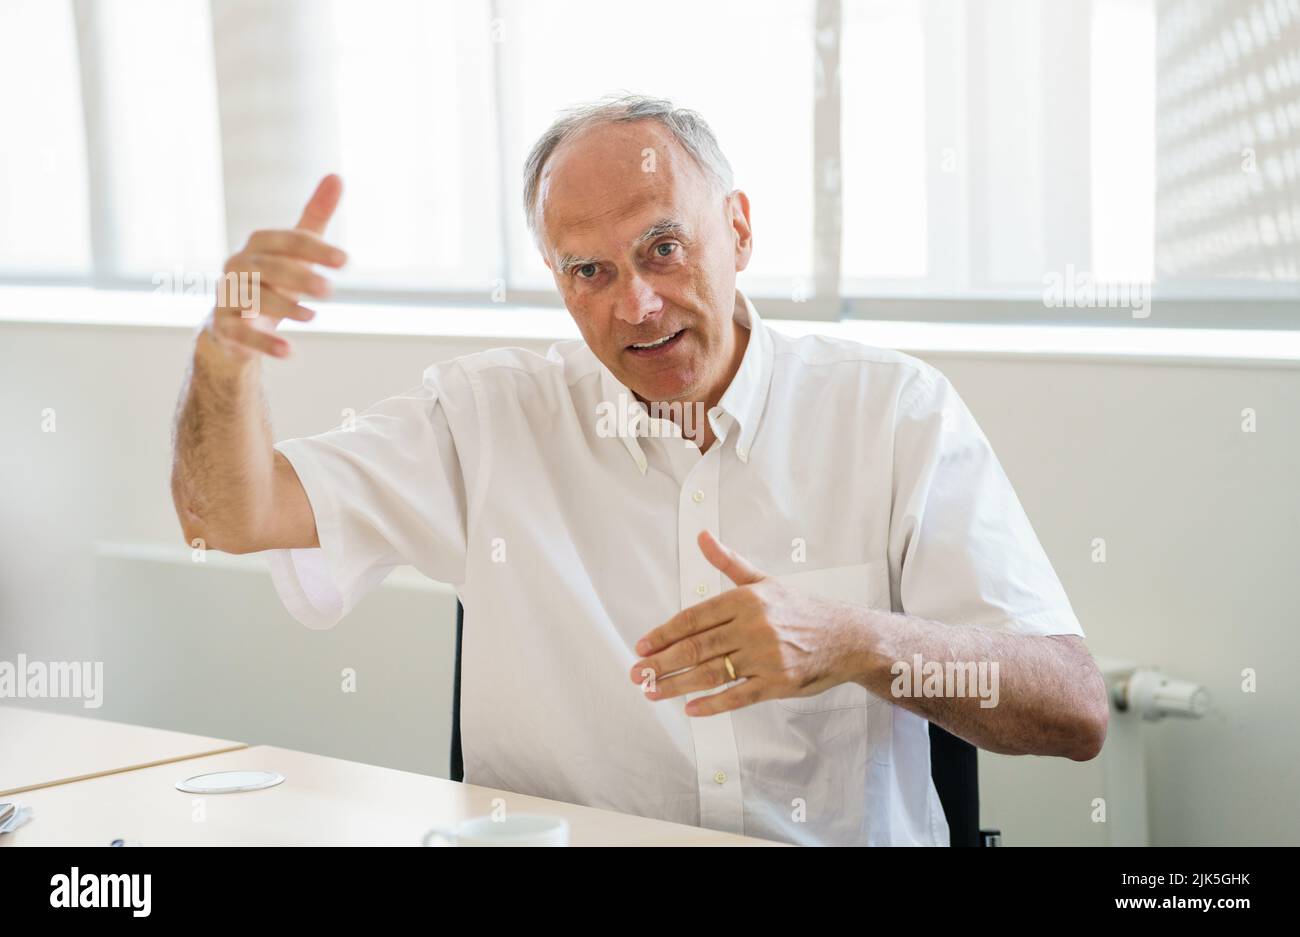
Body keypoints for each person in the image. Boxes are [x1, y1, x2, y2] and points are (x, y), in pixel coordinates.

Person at [170, 94, 1108, 846]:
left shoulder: (892, 411)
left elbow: (1073, 709)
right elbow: (225, 515)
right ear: (556, 278)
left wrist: (853, 642)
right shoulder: (486, 416)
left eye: (664, 246)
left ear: (738, 232)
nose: (638, 303)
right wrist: (223, 355)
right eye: (590, 271)